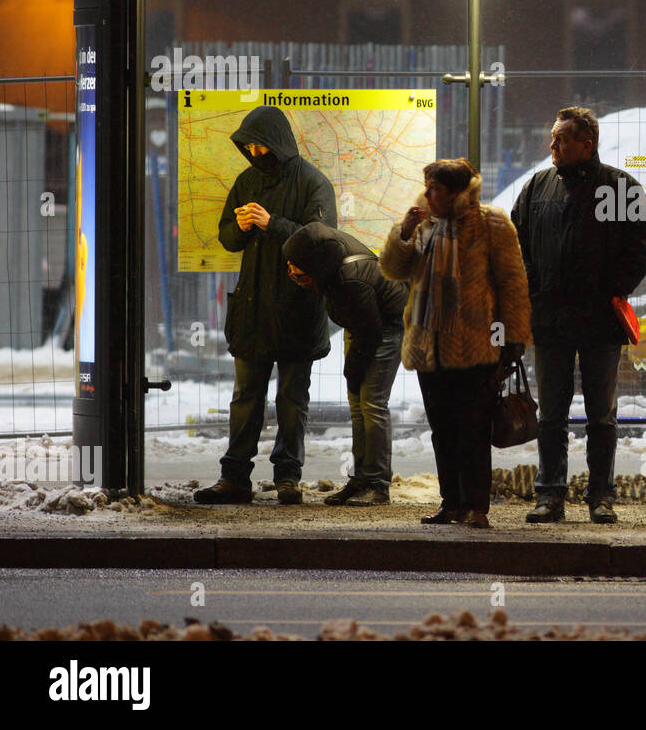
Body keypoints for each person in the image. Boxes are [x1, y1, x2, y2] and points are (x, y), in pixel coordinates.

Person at [511, 107, 646, 524]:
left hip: (597, 322)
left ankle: (599, 496)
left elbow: (641, 251)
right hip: (554, 319)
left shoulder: (621, 188)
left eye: (560, 139)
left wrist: (610, 290)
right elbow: (518, 245)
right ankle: (551, 495)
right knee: (551, 415)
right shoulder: (538, 186)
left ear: (585, 144)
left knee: (600, 417)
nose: (551, 146)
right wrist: (536, 288)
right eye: (553, 138)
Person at [194, 105, 336, 505]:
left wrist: (271, 222)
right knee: (245, 398)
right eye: (249, 147)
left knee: (292, 400)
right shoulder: (246, 181)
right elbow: (226, 237)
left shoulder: (312, 182)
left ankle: (288, 477)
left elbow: (324, 241)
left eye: (260, 145)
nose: (255, 153)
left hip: (296, 308)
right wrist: (237, 227)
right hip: (253, 309)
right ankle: (234, 476)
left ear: (278, 144)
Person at [379, 158, 531, 529]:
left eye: (437, 189)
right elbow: (393, 270)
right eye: (427, 187)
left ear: (457, 192)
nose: (428, 194)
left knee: (473, 430)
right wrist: (403, 234)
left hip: (475, 345)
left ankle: (476, 506)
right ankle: (450, 504)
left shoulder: (491, 224)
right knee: (442, 429)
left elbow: (512, 285)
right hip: (428, 344)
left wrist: (511, 341)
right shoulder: (423, 224)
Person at [283, 222, 407, 506]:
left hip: (384, 327)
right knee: (357, 405)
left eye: (297, 267)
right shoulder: (325, 262)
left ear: (315, 266)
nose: (291, 272)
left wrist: (353, 368)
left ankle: (376, 483)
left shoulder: (349, 277)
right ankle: (361, 478)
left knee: (371, 403)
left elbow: (371, 333)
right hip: (363, 324)